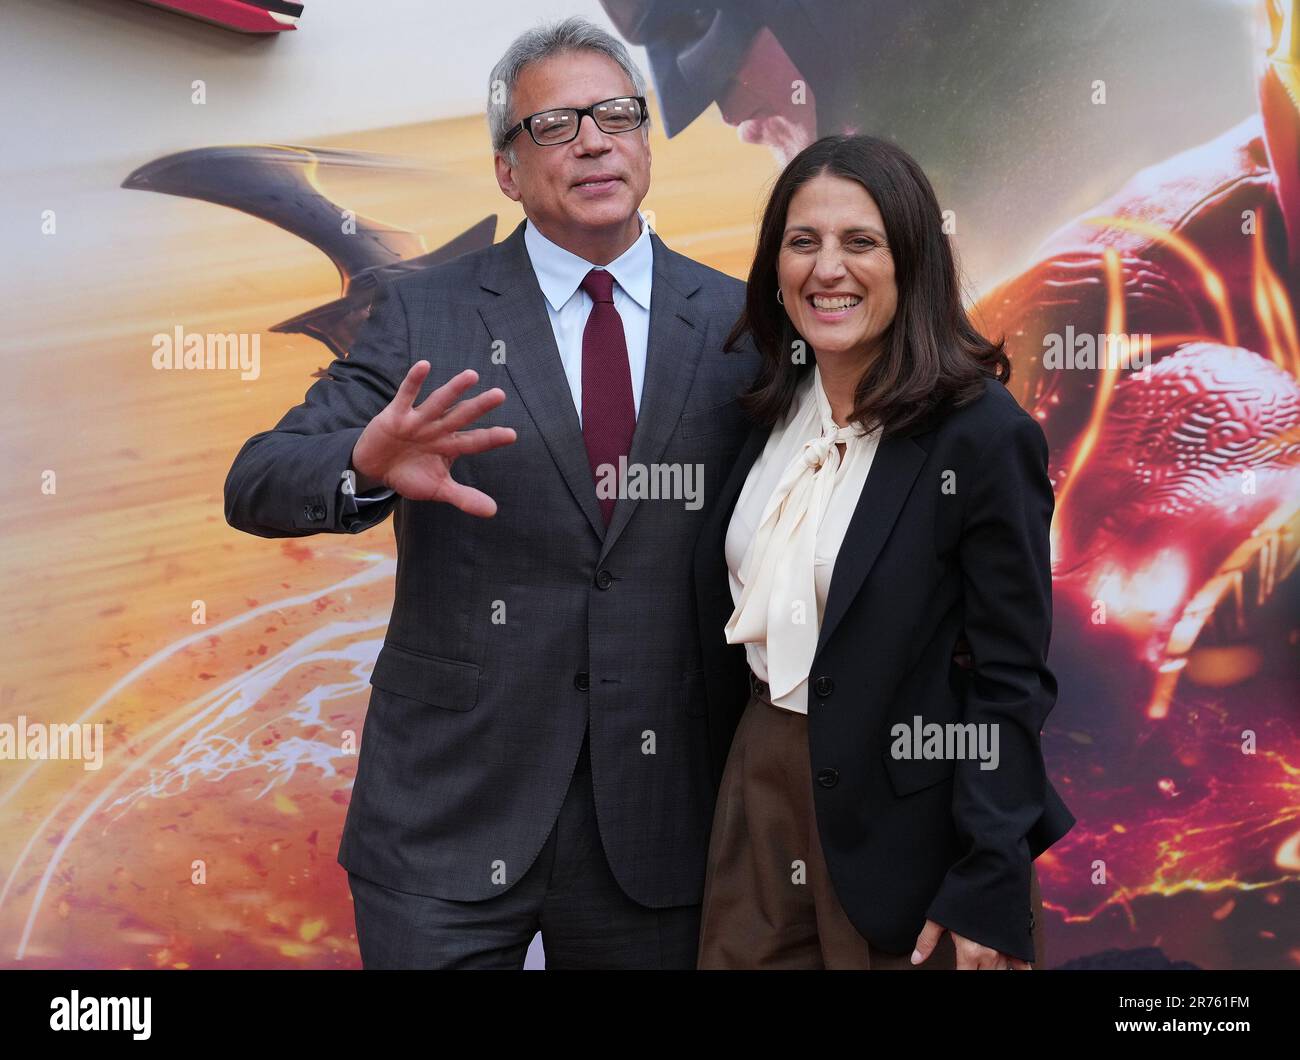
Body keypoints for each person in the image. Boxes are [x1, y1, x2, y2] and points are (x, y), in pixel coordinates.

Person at [223, 16, 760, 968]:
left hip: (658, 823)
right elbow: (258, 478)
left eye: (615, 116)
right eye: (553, 126)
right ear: (507, 171)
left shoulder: (736, 323)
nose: (592, 141)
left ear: (644, 138)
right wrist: (364, 464)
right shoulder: (424, 311)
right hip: (446, 816)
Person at [693, 135, 1076, 969]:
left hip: (916, 829)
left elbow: (1011, 679)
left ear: (912, 262)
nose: (828, 268)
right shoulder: (765, 407)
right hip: (759, 796)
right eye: (804, 243)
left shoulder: (982, 434)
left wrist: (987, 873)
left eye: (860, 242)